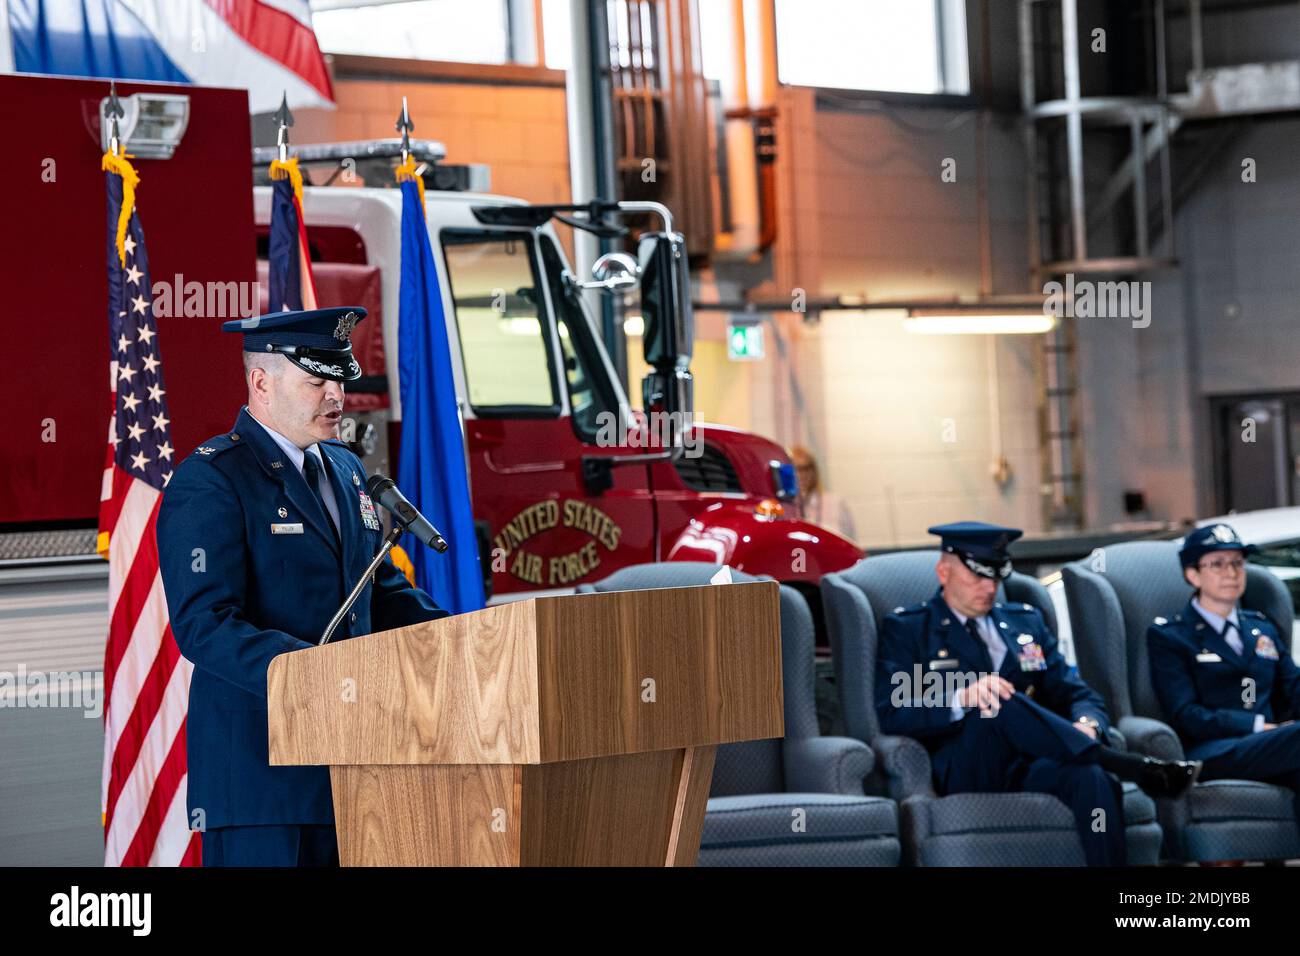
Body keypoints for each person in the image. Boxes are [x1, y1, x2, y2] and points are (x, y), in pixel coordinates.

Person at [157, 307, 448, 867]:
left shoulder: (345, 467)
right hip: (266, 787)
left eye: (338, 379)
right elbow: (206, 626)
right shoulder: (212, 479)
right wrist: (322, 678)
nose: (334, 394)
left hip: (358, 772)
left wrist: (464, 638)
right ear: (261, 382)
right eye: (315, 381)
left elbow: (377, 590)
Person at [875, 521, 1199, 866]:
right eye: (977, 577)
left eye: (996, 578)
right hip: (967, 762)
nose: (989, 588)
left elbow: (1078, 693)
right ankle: (1128, 765)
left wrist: (1087, 724)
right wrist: (961, 697)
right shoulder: (912, 628)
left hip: (1031, 761)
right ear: (944, 572)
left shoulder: (1024, 623)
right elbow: (895, 705)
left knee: (1091, 777)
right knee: (997, 702)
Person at [1147, 523, 1300, 836]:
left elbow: (1293, 689)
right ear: (1193, 575)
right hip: (1213, 750)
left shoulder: (1261, 628)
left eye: (1237, 563)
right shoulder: (1172, 636)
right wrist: (1257, 727)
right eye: (1217, 563)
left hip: (1272, 748)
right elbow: (1186, 714)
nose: (1231, 572)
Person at [791, 445, 856, 542]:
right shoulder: (782, 508)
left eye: (806, 468)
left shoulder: (835, 503)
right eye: (796, 469)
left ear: (814, 471)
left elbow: (852, 542)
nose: (801, 474)